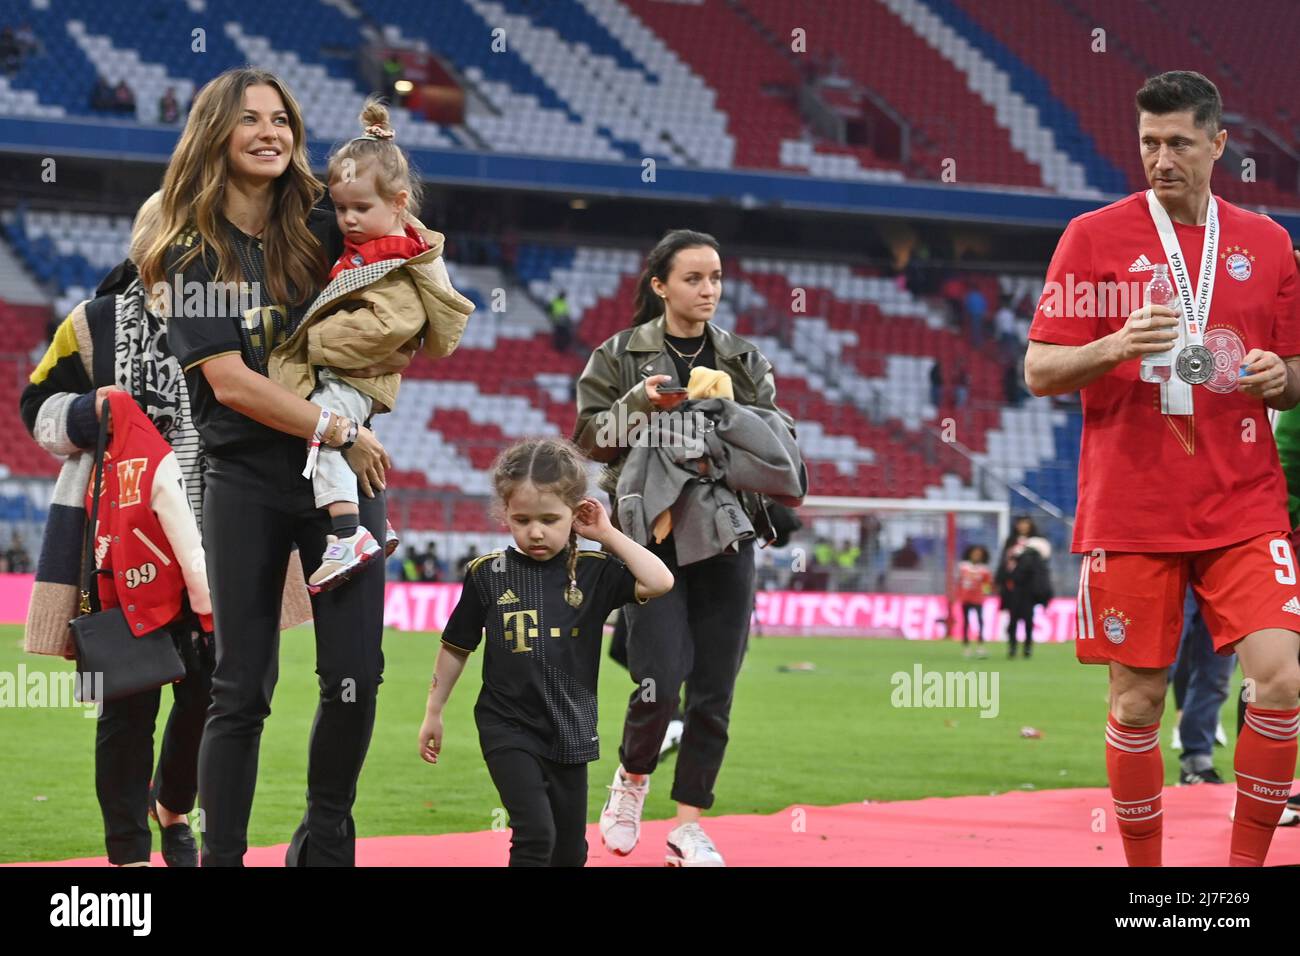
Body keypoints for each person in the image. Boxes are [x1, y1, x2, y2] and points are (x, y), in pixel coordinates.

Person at [138, 67, 413, 867]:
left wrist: (386, 163)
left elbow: (402, 250)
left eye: (282, 119)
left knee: (356, 675)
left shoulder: (322, 220)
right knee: (240, 687)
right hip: (246, 479)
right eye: (251, 119)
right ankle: (222, 857)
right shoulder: (188, 253)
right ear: (215, 133)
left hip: (345, 477)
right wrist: (335, 427)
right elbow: (227, 381)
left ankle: (324, 843)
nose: (271, 132)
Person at [1024, 70, 1300, 866]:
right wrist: (1116, 345)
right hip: (1132, 508)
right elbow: (1039, 370)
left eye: (1179, 142)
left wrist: (1282, 377)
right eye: (1149, 142)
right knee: (1138, 702)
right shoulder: (1092, 237)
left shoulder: (1269, 243)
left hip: (1244, 503)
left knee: (1279, 680)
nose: (1161, 157)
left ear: (1218, 144)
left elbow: (1299, 362)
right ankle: (1147, 880)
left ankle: (1240, 876)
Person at [20, 192, 311, 866]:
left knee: (217, 693)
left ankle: (173, 807)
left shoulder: (244, 317)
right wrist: (89, 415)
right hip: (117, 548)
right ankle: (127, 855)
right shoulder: (92, 322)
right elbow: (37, 402)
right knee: (125, 706)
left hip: (226, 530)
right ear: (147, 246)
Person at [573, 228, 803, 866]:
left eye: (717, 278)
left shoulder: (743, 360)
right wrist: (636, 403)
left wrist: (730, 410)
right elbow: (591, 442)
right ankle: (632, 780)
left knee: (716, 687)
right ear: (659, 286)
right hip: (649, 536)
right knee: (659, 678)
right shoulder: (618, 354)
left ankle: (690, 824)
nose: (709, 291)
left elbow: (778, 439)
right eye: (694, 279)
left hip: (729, 531)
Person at [418, 439, 673, 866]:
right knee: (535, 836)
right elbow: (456, 646)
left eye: (551, 519)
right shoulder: (487, 574)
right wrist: (434, 710)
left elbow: (660, 580)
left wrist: (607, 534)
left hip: (571, 727)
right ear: (505, 514)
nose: (535, 531)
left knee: (570, 852)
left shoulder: (593, 571)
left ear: (576, 512)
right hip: (508, 726)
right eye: (522, 519)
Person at [268, 97, 472, 593]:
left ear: (399, 203)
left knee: (326, 436)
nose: (348, 220)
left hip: (352, 377)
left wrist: (306, 341)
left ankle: (347, 535)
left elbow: (383, 330)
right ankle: (372, 525)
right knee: (324, 437)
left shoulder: (398, 260)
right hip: (351, 374)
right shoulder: (371, 248)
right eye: (340, 209)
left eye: (362, 208)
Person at [1170, 587, 1234, 784]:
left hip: (1223, 572)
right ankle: (1132, 767)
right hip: (1169, 565)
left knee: (1216, 674)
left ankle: (1197, 764)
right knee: (1151, 671)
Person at [957, 544, 992, 658]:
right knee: (966, 622)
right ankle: (966, 646)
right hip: (965, 598)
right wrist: (959, 594)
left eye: (979, 554)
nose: (976, 556)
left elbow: (987, 585)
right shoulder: (963, 567)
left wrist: (985, 594)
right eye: (974, 554)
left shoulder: (984, 570)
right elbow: (958, 582)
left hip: (978, 599)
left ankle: (980, 646)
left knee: (980, 621)